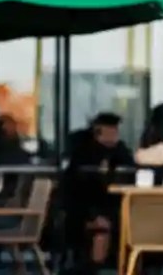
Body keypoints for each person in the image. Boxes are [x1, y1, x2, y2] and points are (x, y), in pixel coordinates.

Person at [65, 113, 135, 273]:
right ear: (98, 131)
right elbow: (76, 188)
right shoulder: (83, 151)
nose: (113, 135)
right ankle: (95, 266)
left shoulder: (120, 150)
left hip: (114, 205)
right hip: (84, 208)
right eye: (109, 131)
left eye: (115, 131)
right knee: (102, 225)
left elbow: (129, 169)